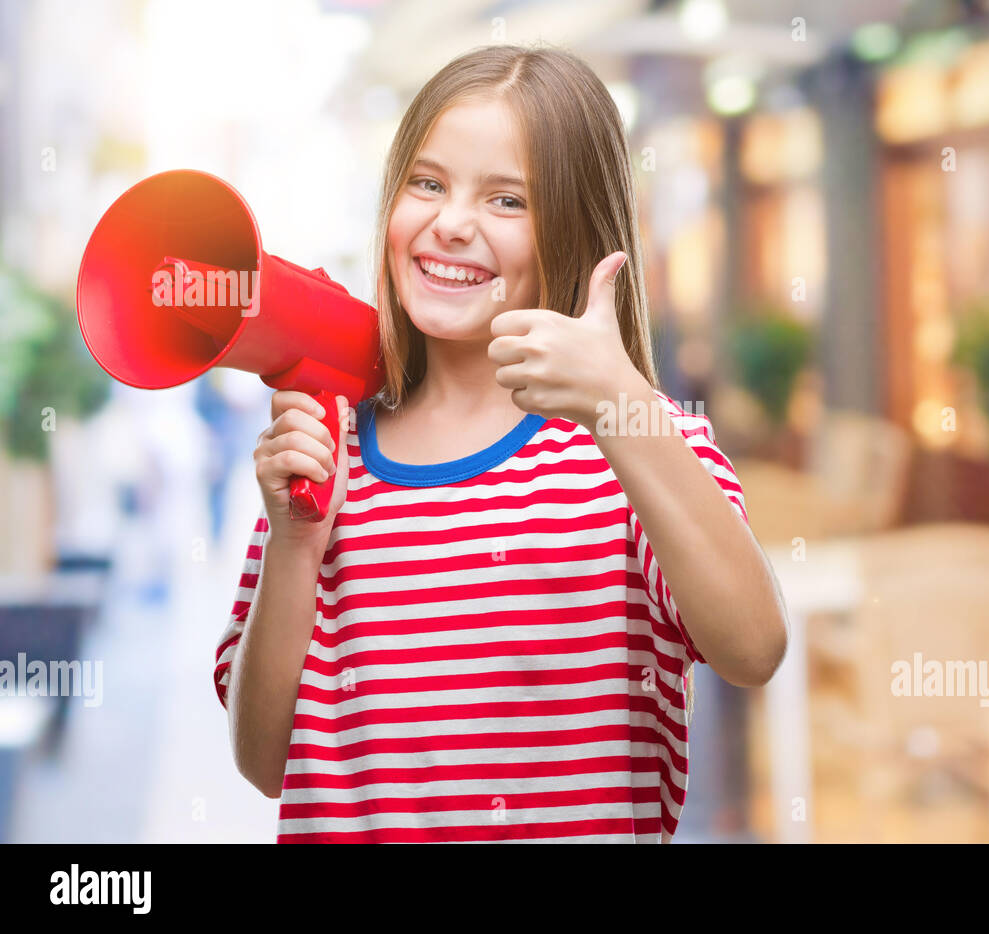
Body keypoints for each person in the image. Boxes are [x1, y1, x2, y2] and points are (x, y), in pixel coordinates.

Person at [213, 43, 788, 843]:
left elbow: (754, 648)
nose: (450, 224)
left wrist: (622, 401)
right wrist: (297, 543)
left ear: (576, 232)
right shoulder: (329, 454)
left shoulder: (634, 447)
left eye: (508, 200)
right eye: (427, 183)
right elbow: (263, 760)